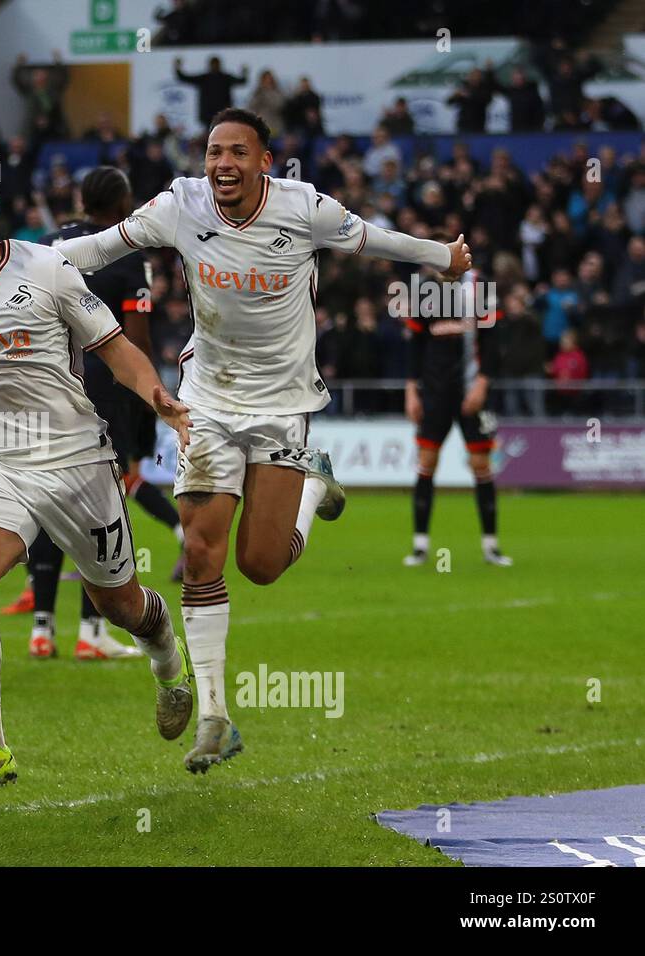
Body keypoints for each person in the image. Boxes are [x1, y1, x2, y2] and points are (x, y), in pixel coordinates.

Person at [56, 108, 472, 773]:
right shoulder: (181, 204)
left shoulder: (303, 207)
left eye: (237, 152)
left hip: (282, 405)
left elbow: (372, 240)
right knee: (199, 550)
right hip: (209, 399)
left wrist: (442, 257)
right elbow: (102, 246)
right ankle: (216, 717)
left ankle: (311, 490)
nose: (222, 164)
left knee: (262, 565)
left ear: (264, 161)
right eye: (214, 151)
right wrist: (10, 263)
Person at [0, 143, 196, 789]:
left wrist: (162, 400)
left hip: (76, 457)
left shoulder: (45, 267)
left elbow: (114, 349)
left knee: (120, 605)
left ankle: (167, 660)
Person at [32, 165, 185, 661]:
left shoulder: (50, 244)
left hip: (52, 385)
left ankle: (42, 628)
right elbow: (136, 336)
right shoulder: (126, 252)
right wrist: (148, 395)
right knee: (99, 507)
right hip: (107, 389)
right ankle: (92, 633)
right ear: (122, 204)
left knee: (52, 504)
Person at [404, 271, 511, 567]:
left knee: (481, 464)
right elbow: (415, 345)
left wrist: (483, 383)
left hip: (471, 390)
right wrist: (411, 390)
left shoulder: (479, 289)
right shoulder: (425, 292)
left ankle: (491, 546)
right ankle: (420, 547)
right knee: (427, 460)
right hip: (435, 392)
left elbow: (492, 342)